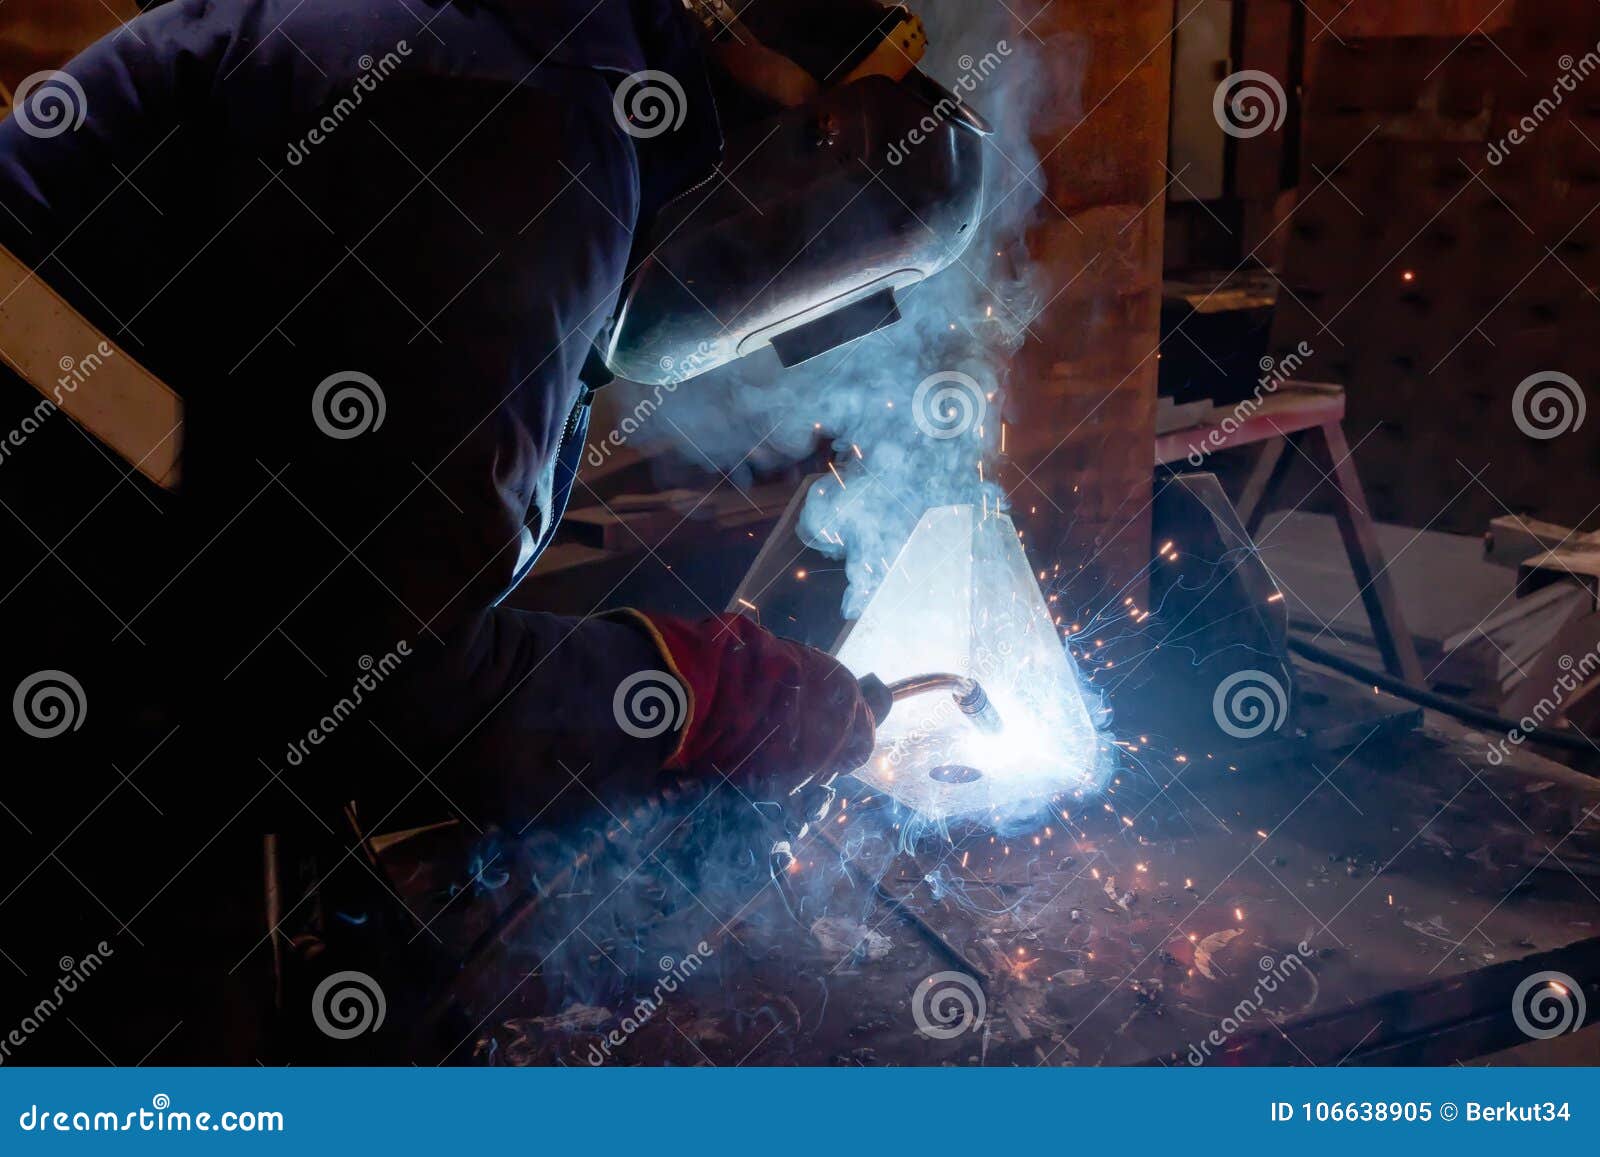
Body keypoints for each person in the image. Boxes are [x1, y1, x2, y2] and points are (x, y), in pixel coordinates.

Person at [0, 0, 887, 1062]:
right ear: (794, 100)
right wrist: (698, 690)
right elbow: (377, 675)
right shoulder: (510, 121)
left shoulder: (534, 58)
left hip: (132, 561)